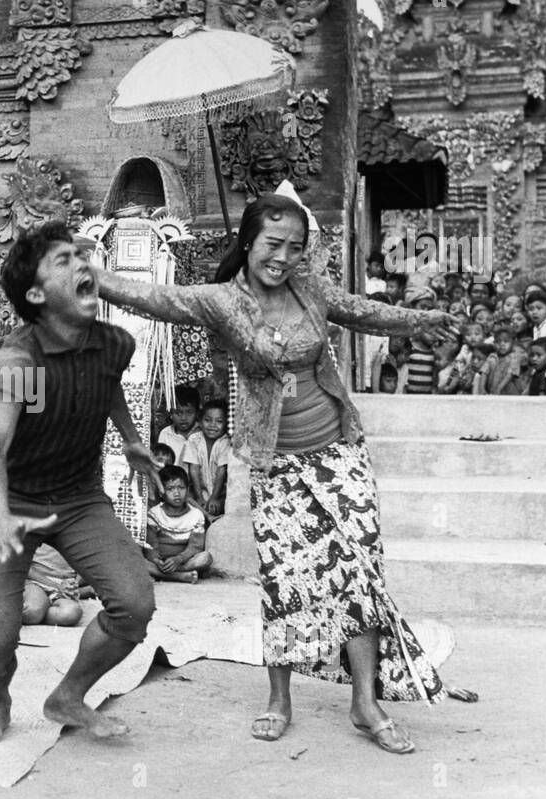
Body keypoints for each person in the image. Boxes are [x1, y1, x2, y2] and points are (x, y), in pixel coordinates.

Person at [98, 189, 465, 754]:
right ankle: (279, 700)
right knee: (285, 578)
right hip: (277, 463)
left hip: (340, 452)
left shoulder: (310, 289)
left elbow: (364, 311)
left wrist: (421, 319)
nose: (284, 256)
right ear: (249, 242)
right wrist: (91, 277)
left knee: (360, 574)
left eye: (295, 247)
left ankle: (366, 703)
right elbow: (155, 297)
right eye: (273, 243)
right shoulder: (222, 301)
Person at [0, 221, 159, 744]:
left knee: (134, 605)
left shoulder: (114, 342)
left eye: (79, 255)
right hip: (15, 503)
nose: (80, 264)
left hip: (79, 499)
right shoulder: (19, 360)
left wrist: (131, 436)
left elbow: (107, 384)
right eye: (62, 260)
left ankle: (68, 696)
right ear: (35, 294)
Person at [145, 465, 212, 583]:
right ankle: (178, 576)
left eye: (181, 488)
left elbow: (195, 546)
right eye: (170, 489)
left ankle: (162, 574)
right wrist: (156, 561)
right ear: (161, 492)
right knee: (136, 559)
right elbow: (151, 546)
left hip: (183, 561)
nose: (177, 493)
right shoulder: (153, 514)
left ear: (187, 490)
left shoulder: (196, 515)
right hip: (159, 561)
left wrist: (178, 559)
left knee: (205, 558)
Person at [184, 398, 229, 517]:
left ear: (226, 423)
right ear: (200, 421)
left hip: (221, 492)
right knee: (194, 505)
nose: (212, 425)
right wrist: (199, 497)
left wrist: (214, 498)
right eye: (207, 420)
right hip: (201, 489)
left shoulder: (225, 441)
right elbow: (193, 468)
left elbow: (221, 471)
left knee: (216, 507)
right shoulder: (194, 439)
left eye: (219, 421)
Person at [157, 386, 199, 462]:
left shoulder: (201, 432)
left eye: (189, 412)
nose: (183, 418)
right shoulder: (166, 434)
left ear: (197, 413)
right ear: (171, 414)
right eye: (178, 413)